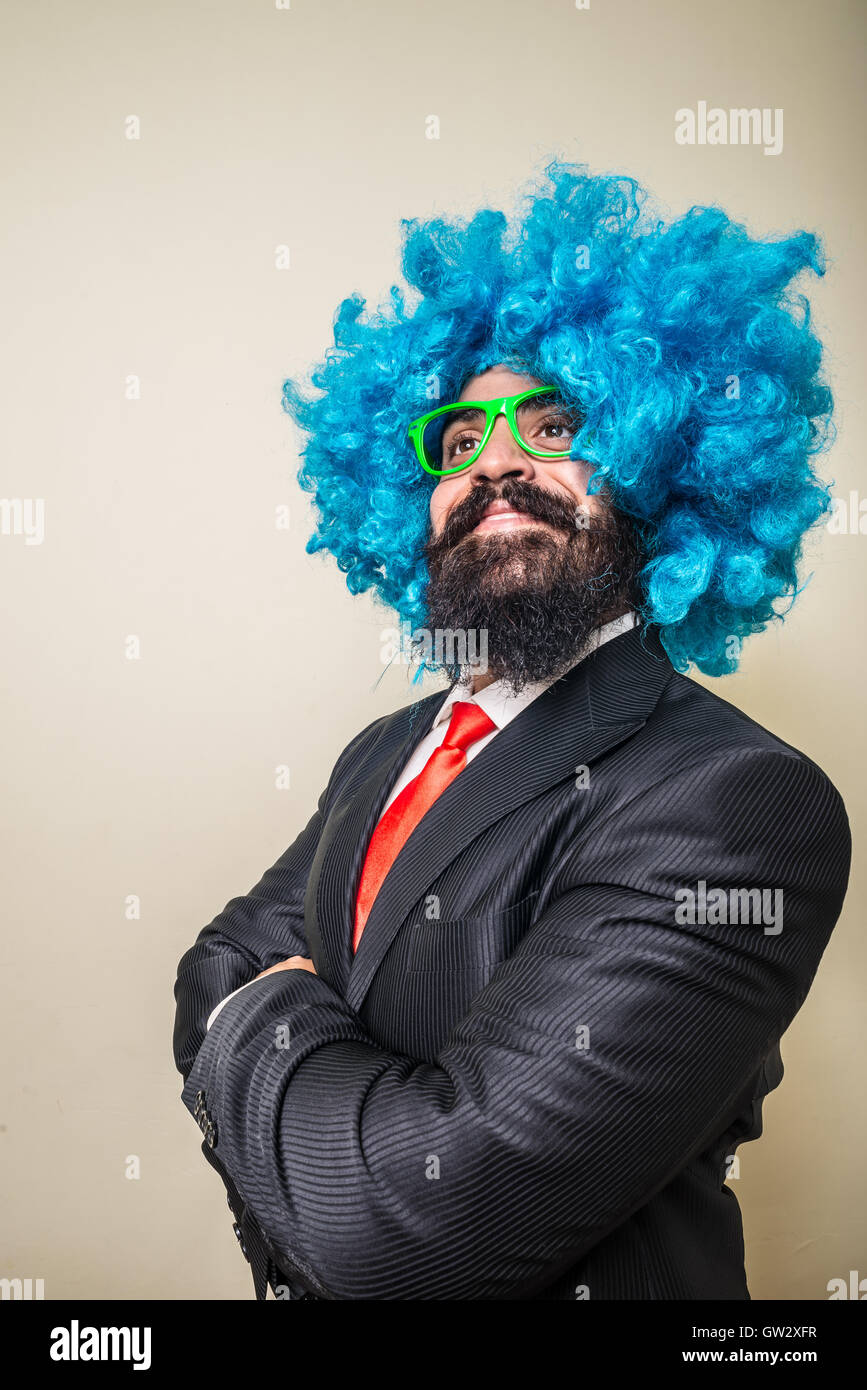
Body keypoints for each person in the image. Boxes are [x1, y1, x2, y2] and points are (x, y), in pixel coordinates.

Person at [172, 160, 851, 1300]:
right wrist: (288, 1030)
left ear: (659, 465)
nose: (492, 462)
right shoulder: (387, 750)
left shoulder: (737, 802)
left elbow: (413, 1225)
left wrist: (264, 1013)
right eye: (455, 440)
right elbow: (216, 956)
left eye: (552, 422)